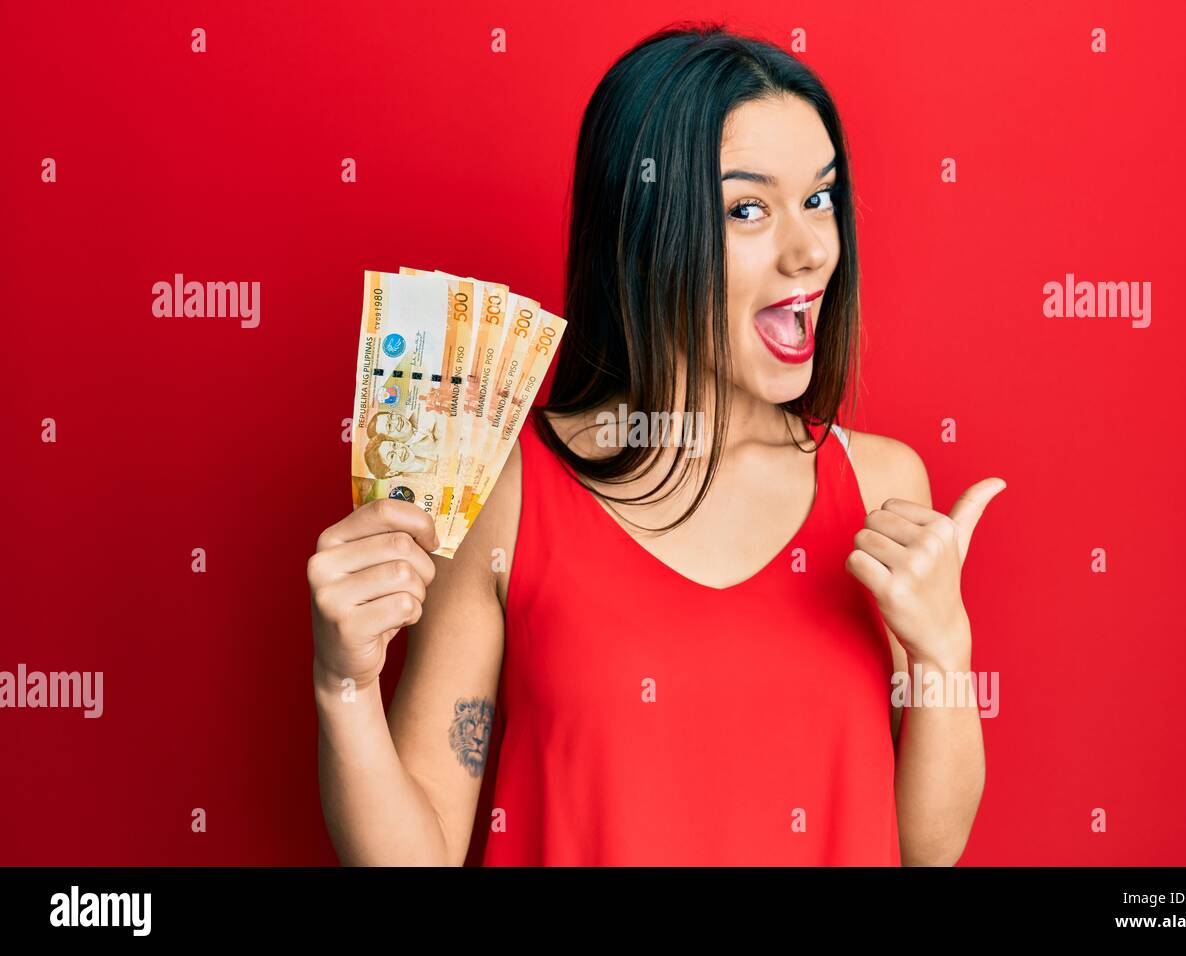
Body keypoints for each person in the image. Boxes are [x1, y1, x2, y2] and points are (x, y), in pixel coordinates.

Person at [309, 23, 1004, 866]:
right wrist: (342, 684)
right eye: (748, 208)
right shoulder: (511, 493)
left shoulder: (883, 487)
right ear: (643, 235)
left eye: (820, 197)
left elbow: (926, 849)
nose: (812, 248)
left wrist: (945, 650)